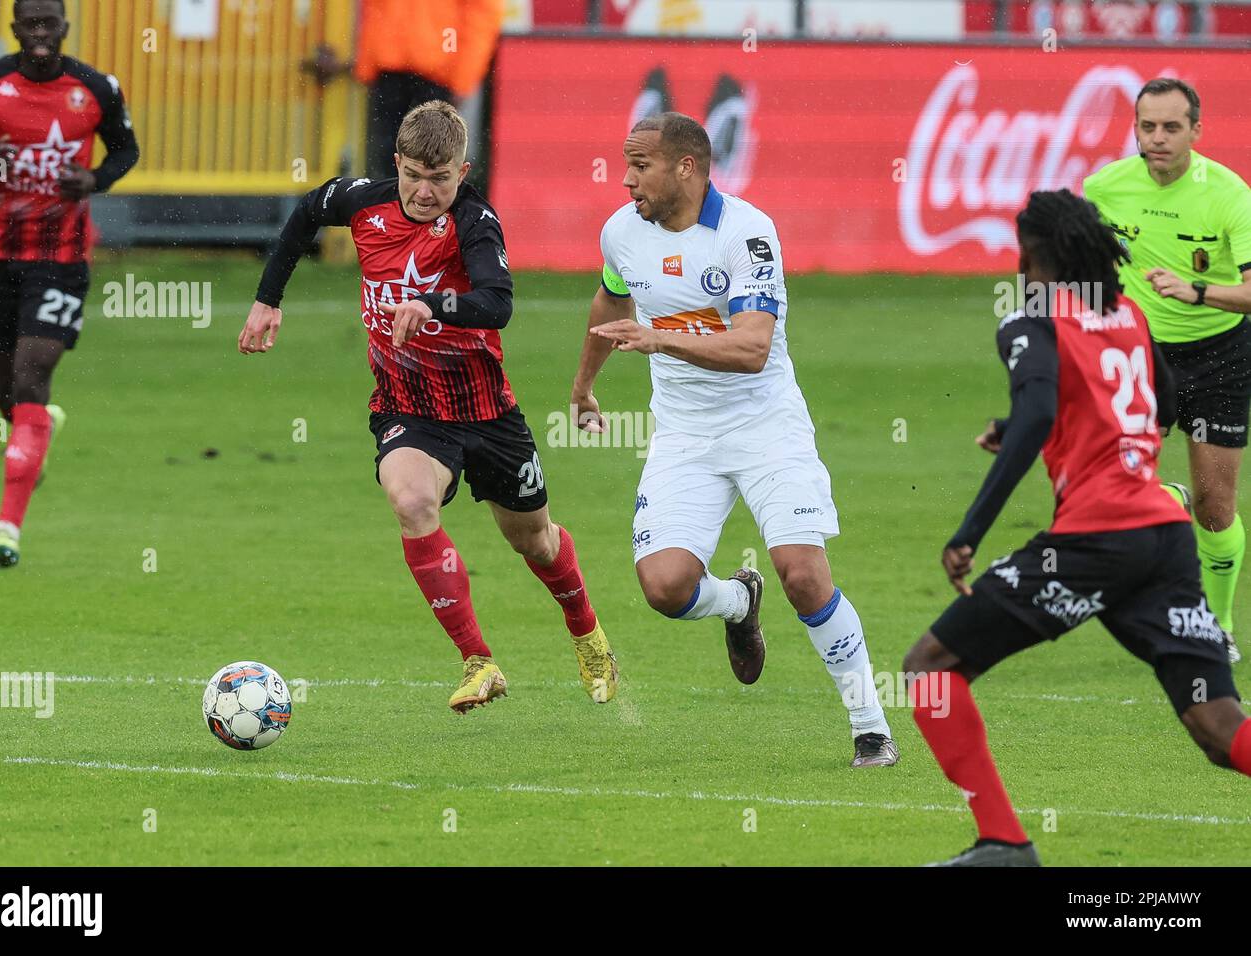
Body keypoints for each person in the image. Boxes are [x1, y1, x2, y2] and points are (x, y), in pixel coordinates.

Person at [903, 190, 1248, 867]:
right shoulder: (1131, 313)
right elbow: (1164, 402)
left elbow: (1035, 415)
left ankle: (1004, 843)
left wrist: (971, 530)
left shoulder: (1030, 322)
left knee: (930, 669)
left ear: (1032, 252)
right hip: (1164, 538)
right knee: (1216, 723)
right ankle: (1002, 846)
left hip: (1093, 543)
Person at [238, 100, 616, 714]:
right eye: (414, 175)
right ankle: (478, 661)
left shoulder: (475, 221)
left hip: (487, 411)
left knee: (535, 542)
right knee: (410, 500)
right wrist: (267, 298)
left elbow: (498, 303)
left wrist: (434, 304)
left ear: (461, 172)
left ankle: (589, 636)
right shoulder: (365, 201)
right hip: (407, 408)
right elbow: (308, 210)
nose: (424, 191)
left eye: (439, 179)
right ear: (398, 164)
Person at [571, 112, 898, 768]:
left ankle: (870, 726)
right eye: (626, 163)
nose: (627, 178)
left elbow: (752, 348)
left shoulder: (747, 233)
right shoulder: (622, 233)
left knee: (803, 574)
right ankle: (738, 603)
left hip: (765, 426)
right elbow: (612, 301)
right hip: (685, 434)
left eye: (642, 165)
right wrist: (583, 386)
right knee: (665, 588)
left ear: (686, 167)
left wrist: (661, 336)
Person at [0, 0, 139, 567]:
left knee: (33, 376)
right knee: (7, 393)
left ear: (63, 29)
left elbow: (126, 149)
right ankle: (36, 431)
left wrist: (96, 178)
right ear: (14, 30)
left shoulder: (95, 88)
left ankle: (7, 527)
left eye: (48, 22)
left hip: (61, 258)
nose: (39, 32)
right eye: (28, 23)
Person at [1084, 78, 1251, 661]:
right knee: (1117, 489)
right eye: (1147, 126)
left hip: (1220, 354)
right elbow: (1073, 263)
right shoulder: (1104, 188)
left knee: (1215, 506)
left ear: (1196, 131)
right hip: (1141, 356)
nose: (1156, 139)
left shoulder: (1229, 195)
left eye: (1171, 128)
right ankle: (1161, 506)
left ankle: (1218, 623)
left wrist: (1196, 291)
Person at [304, 0, 502, 180]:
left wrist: (463, 77)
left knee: (425, 166)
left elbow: (482, 16)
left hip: (433, 76)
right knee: (394, 164)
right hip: (394, 71)